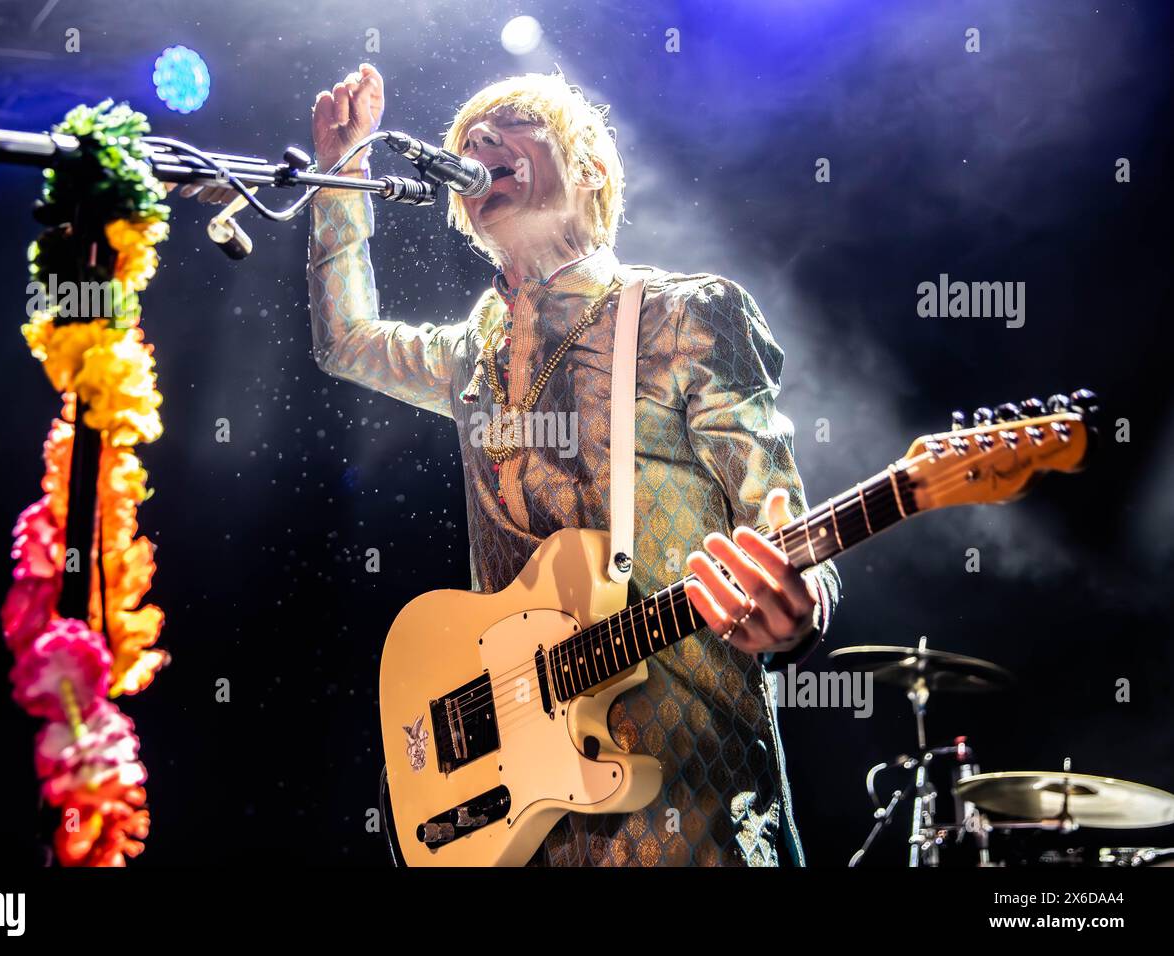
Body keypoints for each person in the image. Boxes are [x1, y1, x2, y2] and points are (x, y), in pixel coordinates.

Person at [186, 62, 841, 866]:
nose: (476, 140)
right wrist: (344, 169)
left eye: (515, 121)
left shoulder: (686, 314)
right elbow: (346, 340)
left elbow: (778, 515)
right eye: (464, 140)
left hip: (689, 800)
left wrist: (803, 607)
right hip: (523, 810)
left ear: (593, 167)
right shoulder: (473, 355)